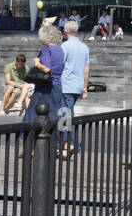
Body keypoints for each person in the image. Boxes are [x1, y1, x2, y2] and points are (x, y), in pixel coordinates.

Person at [58, 21, 90, 156]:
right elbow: (87, 69)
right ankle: (64, 142)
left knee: (66, 115)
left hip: (66, 85)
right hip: (77, 86)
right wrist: (85, 87)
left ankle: (69, 143)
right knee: (65, 114)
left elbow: (59, 66)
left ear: (66, 31)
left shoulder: (65, 46)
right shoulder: (84, 47)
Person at [23, 23, 64, 123]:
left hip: (45, 85)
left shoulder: (46, 48)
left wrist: (36, 62)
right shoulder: (60, 49)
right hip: (57, 84)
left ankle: (26, 136)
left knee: (31, 113)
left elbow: (46, 69)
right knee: (54, 113)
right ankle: (57, 137)